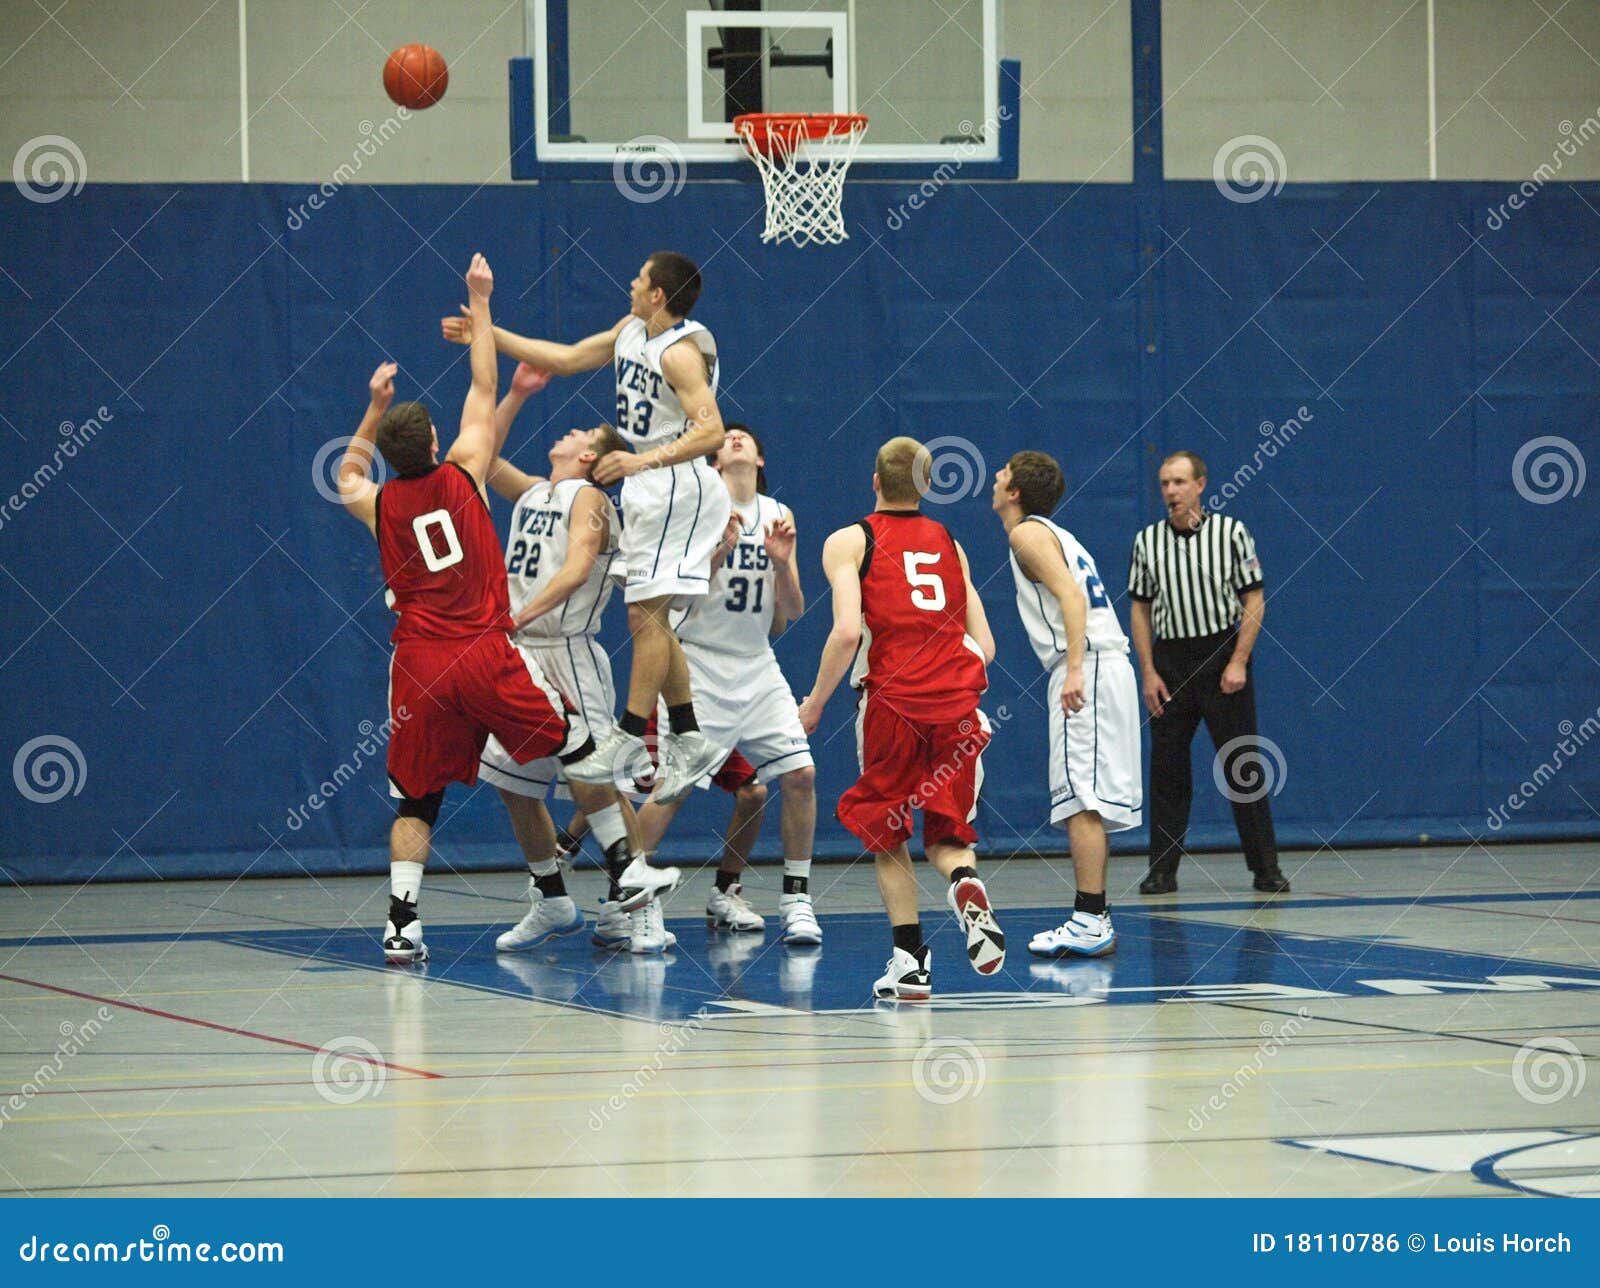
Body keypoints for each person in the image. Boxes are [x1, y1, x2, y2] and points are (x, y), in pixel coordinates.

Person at [334, 253, 677, 964]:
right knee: (576, 746)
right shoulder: (468, 471)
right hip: (491, 648)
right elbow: (482, 387)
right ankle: (616, 873)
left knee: (417, 801)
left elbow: (347, 473)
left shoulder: (380, 502)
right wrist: (482, 302)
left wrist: (369, 410)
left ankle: (402, 923)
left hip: (426, 661)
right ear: (436, 445)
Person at [442, 251, 730, 804]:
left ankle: (627, 735)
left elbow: (712, 430)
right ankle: (689, 734)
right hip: (649, 484)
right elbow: (568, 358)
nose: (630, 280)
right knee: (653, 616)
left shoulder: (682, 354)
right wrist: (486, 330)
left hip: (676, 482)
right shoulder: (631, 331)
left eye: (639, 278)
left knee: (643, 613)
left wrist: (641, 461)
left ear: (658, 296)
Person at [798, 436, 1003, 1000]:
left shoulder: (850, 540)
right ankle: (964, 882)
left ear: (875, 481)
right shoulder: (949, 542)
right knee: (947, 834)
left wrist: (814, 704)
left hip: (893, 703)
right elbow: (984, 644)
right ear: (927, 485)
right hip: (958, 708)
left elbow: (844, 633)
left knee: (887, 829)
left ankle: (910, 963)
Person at [472, 361, 660, 954]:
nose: (568, 433)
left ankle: (639, 907)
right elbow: (482, 455)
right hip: (520, 653)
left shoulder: (591, 500)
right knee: (513, 784)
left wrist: (520, 615)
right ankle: (552, 898)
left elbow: (578, 569)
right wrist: (517, 394)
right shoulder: (536, 491)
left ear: (589, 458)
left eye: (580, 433)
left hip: (567, 651)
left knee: (597, 781)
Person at [637, 425, 822, 946]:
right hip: (697, 663)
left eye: (745, 438)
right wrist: (716, 553)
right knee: (671, 788)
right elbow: (671, 602)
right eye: (728, 437)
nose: (736, 440)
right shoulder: (698, 509)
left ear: (759, 458)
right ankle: (636, 902)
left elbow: (789, 615)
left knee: (802, 775)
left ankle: (796, 899)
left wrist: (783, 566)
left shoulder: (779, 513)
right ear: (715, 460)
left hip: (756, 663)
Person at [992, 452, 1141, 958]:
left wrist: (1075, 669)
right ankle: (1092, 915)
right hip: (1103, 664)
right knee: (1086, 796)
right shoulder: (1058, 535)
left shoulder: (1027, 534)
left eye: (1003, 472)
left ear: (1015, 491)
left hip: (1089, 665)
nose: (995, 477)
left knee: (1081, 796)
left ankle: (1090, 918)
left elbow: (1072, 600)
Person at [1127, 450, 1290, 895]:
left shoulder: (1231, 533)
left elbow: (1254, 600)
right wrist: (1147, 670)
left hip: (1220, 654)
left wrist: (1238, 660)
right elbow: (1140, 610)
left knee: (1241, 764)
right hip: (1170, 660)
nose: (1171, 491)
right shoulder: (1147, 542)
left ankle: (1265, 868)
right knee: (1167, 769)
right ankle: (1162, 870)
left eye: (1179, 482)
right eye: (1164, 483)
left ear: (1200, 485)